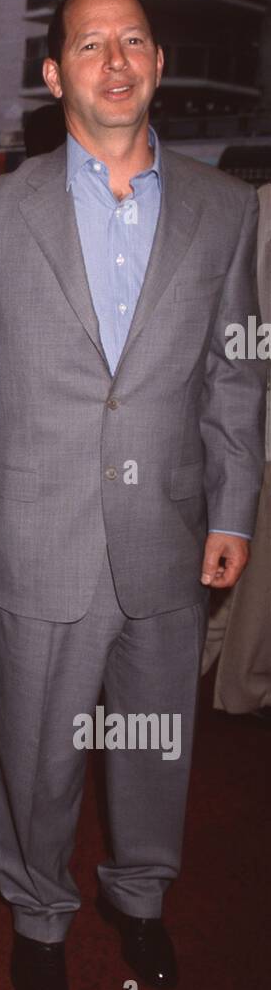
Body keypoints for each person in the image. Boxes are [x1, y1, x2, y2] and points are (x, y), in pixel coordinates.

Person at [0, 0, 264, 990]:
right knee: (34, 748)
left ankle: (138, 894)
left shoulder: (224, 210)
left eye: (132, 41)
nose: (116, 61)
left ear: (157, 63)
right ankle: (38, 912)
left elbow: (233, 370)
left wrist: (231, 510)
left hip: (168, 534)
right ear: (52, 74)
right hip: (39, 533)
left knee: (151, 738)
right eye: (90, 45)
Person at [202, 180, 271, 719]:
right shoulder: (259, 206)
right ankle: (242, 691)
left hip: (251, 423)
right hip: (259, 429)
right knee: (256, 582)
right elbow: (245, 335)